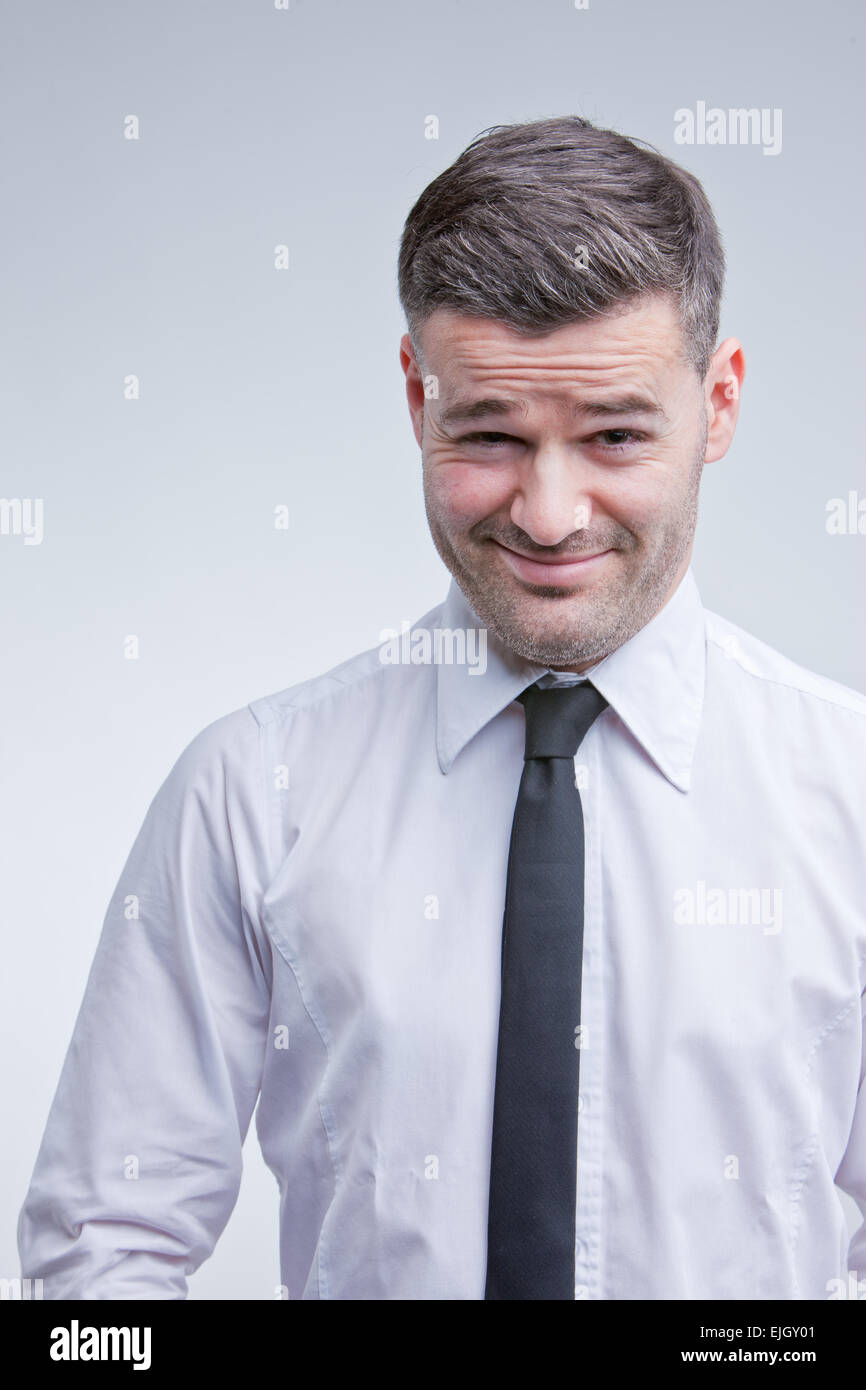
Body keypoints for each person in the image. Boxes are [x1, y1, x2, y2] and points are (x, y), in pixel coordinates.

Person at [18, 115, 866, 1301]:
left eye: (614, 435)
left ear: (716, 405)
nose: (550, 513)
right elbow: (94, 1262)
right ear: (416, 399)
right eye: (490, 435)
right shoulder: (251, 790)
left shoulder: (849, 799)